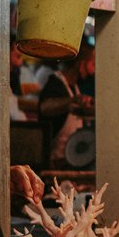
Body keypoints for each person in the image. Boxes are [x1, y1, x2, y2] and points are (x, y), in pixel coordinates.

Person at [38, 38, 95, 168]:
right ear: (81, 64)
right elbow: (44, 108)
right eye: (93, 64)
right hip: (55, 162)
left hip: (72, 161)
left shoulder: (74, 87)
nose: (94, 71)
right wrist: (70, 102)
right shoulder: (55, 83)